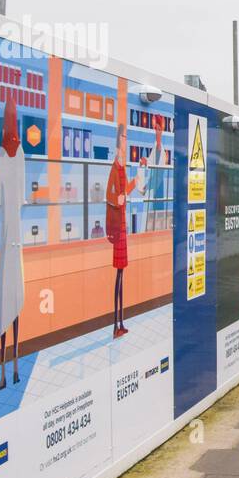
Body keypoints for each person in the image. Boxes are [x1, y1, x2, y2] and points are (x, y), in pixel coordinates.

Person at [0, 95, 26, 389]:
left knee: (3, 305)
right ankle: (13, 366)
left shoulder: (0, 156)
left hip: (5, 238)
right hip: (18, 240)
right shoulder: (20, 153)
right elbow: (20, 199)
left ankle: (2, 371)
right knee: (13, 304)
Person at [106, 123, 147, 338]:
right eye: (124, 136)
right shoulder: (115, 167)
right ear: (118, 139)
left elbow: (123, 191)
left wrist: (133, 183)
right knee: (118, 276)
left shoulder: (121, 167)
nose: (126, 140)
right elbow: (110, 195)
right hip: (118, 227)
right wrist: (118, 198)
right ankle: (116, 324)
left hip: (122, 225)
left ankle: (120, 321)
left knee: (121, 275)